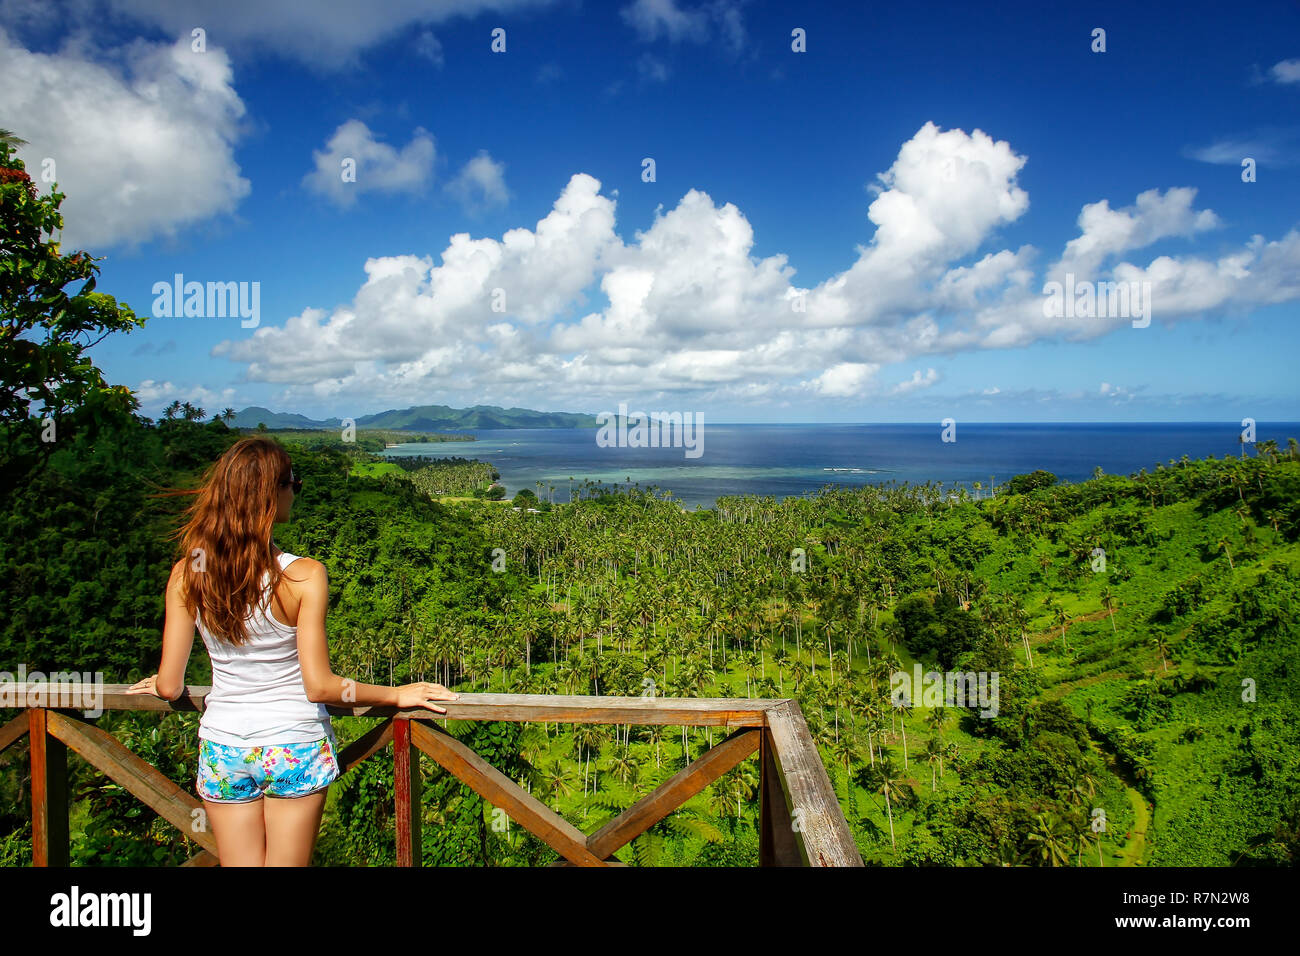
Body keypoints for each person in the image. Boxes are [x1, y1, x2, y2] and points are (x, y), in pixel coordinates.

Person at [127, 436, 457, 865]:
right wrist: (396, 695)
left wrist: (157, 682)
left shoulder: (187, 574)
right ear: (272, 495)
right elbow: (320, 686)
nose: (295, 492)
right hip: (292, 743)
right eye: (292, 484)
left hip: (224, 746)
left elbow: (171, 686)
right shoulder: (303, 576)